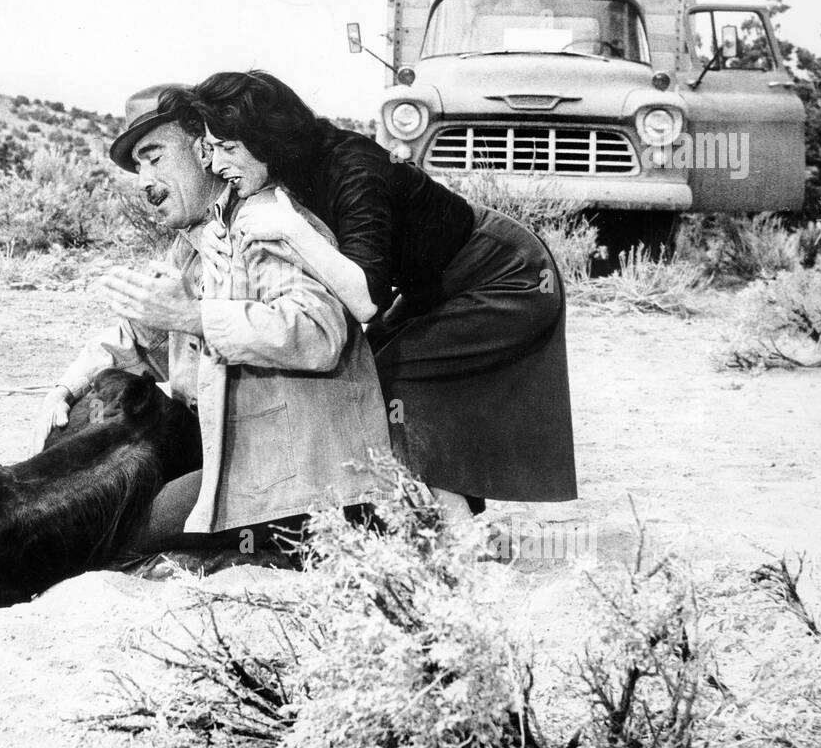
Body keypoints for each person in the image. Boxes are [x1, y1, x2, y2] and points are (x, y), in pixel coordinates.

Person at [161, 71, 577, 513]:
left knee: (394, 376)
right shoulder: (290, 163)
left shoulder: (352, 167)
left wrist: (292, 231)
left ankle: (458, 525)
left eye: (228, 148)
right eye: (213, 148)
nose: (216, 164)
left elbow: (365, 301)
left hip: (506, 273)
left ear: (267, 137)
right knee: (379, 371)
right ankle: (449, 515)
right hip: (436, 284)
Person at [27, 84, 391, 560]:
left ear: (203, 149)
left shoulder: (266, 223)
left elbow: (317, 332)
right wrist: (67, 388)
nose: (144, 180)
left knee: (120, 535)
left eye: (154, 157)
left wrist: (194, 316)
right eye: (138, 165)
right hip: (244, 455)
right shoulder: (197, 242)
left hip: (301, 476)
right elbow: (141, 336)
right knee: (105, 412)